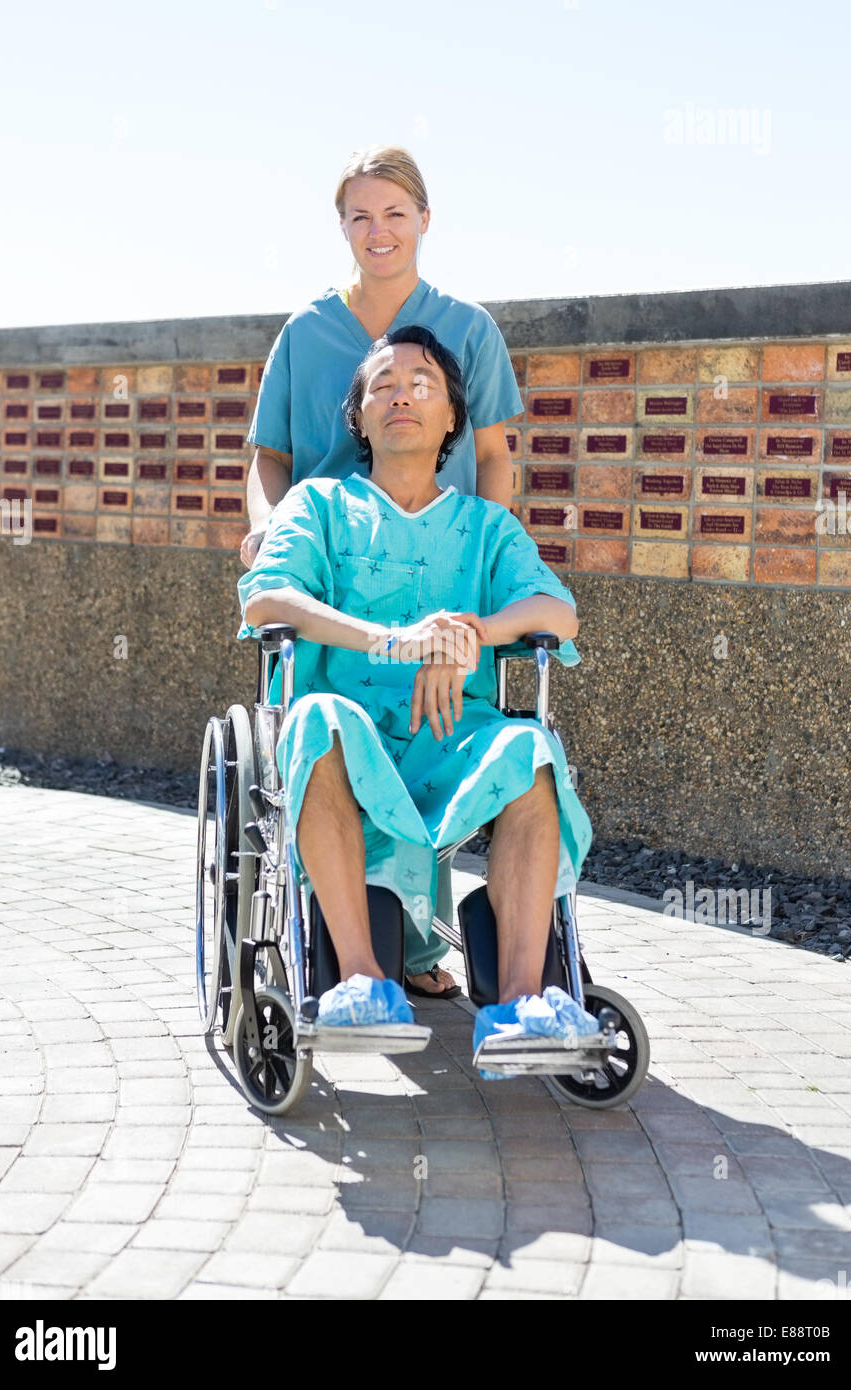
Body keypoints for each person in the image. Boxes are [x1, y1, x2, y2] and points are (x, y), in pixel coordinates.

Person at [237, 327, 597, 1072]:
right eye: (381, 385)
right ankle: (364, 983)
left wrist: (470, 631)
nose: (401, 393)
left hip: (451, 738)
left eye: (422, 382)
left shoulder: (483, 527)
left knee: (527, 747)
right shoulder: (320, 504)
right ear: (360, 421)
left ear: (452, 421)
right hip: (347, 733)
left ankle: (519, 1006)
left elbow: (555, 614)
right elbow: (266, 597)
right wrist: (392, 642)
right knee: (319, 719)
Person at [240, 144, 523, 1002]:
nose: (378, 231)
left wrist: (496, 561)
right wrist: (264, 532)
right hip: (332, 565)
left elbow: (492, 457)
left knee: (434, 726)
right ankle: (357, 946)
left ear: (424, 221)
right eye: (360, 215)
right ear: (342, 228)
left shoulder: (467, 329)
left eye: (395, 213)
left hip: (442, 561)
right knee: (342, 720)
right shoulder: (306, 331)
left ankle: (413, 949)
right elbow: (269, 457)